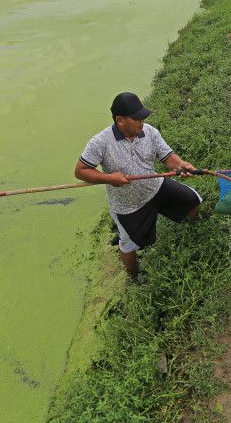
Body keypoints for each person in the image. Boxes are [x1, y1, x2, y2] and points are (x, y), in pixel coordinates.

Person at [75, 92, 202, 281]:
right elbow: (81, 171)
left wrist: (180, 164)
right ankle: (135, 276)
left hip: (156, 187)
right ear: (120, 120)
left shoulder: (149, 132)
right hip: (128, 204)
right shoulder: (100, 142)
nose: (142, 122)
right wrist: (109, 178)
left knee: (193, 200)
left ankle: (193, 230)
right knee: (128, 244)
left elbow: (167, 157)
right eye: (137, 119)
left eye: (143, 118)